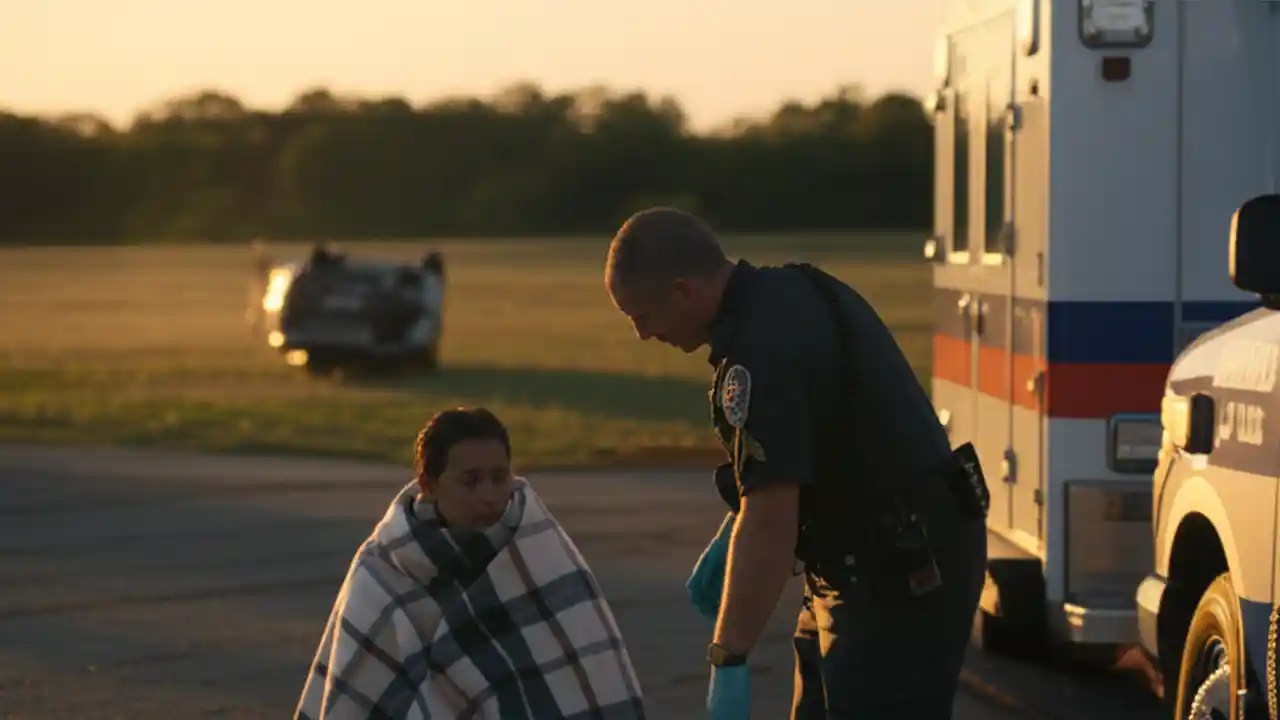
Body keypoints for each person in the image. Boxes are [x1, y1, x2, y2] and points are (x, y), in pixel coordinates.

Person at [604, 207, 989, 719]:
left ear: (683, 291)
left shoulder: (757, 352)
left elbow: (770, 518)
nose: (643, 336)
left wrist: (729, 655)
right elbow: (818, 444)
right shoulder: (796, 291)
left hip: (896, 572)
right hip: (876, 554)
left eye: (642, 317)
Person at [294, 407, 646, 720]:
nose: (490, 494)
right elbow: (359, 689)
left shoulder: (540, 551)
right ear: (428, 485)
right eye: (470, 481)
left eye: (499, 477)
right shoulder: (386, 568)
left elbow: (588, 676)